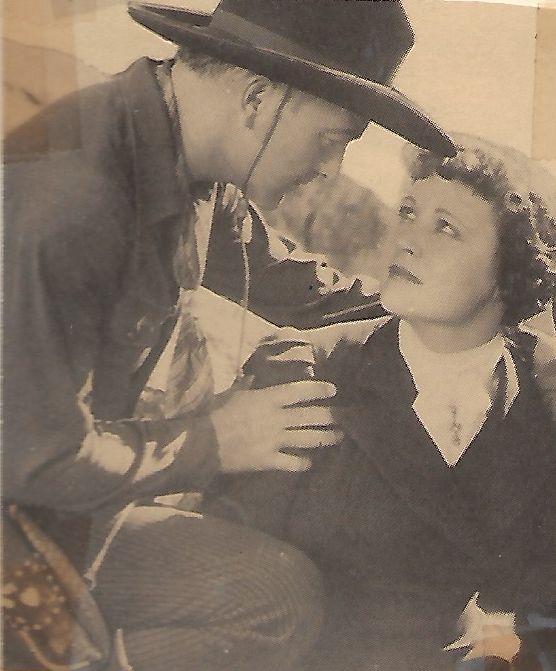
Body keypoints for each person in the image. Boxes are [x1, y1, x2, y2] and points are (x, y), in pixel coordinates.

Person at [3, 2, 457, 670]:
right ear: (255, 98)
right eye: (336, 138)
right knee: (62, 656)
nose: (331, 169)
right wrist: (214, 440)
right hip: (24, 495)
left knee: (276, 598)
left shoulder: (192, 164)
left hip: (60, 512)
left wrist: (461, 315)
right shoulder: (73, 200)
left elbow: (309, 292)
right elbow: (31, 456)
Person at [211, 136, 556, 671]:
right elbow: (223, 598)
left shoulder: (539, 400)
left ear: (508, 270)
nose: (406, 242)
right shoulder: (308, 369)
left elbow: (543, 611)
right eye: (409, 214)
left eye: (445, 228)